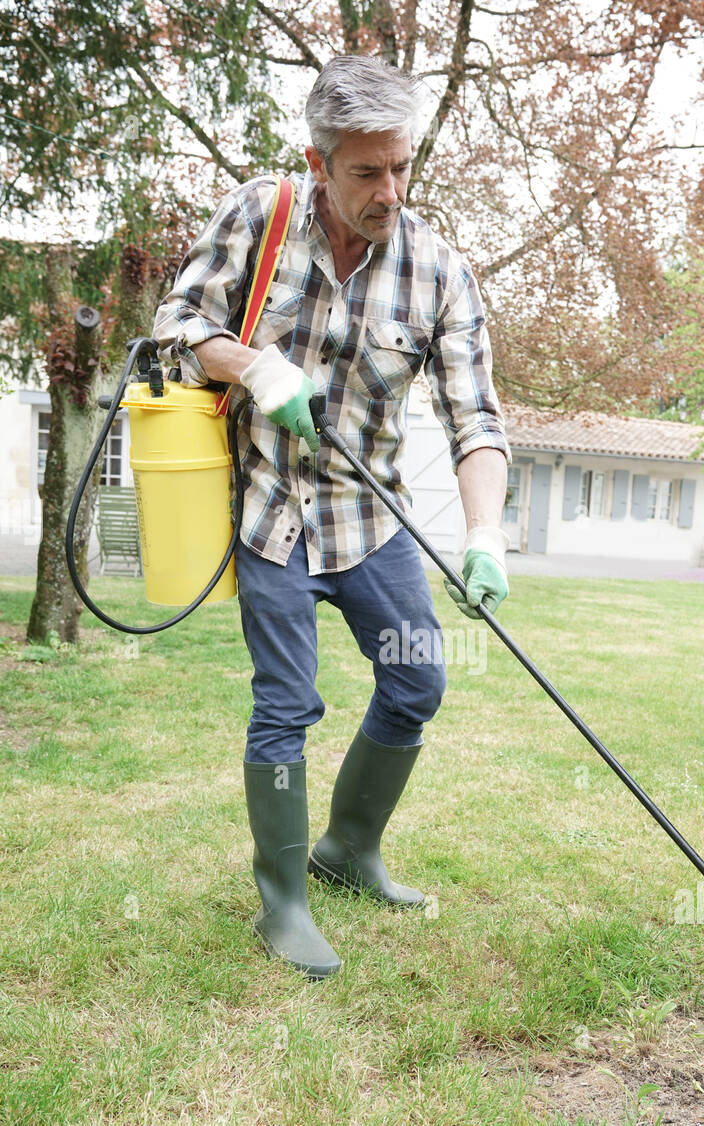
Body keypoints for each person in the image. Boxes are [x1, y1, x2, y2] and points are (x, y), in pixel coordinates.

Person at [153, 55, 511, 979]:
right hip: (269, 509)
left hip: (369, 521)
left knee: (416, 683)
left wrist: (483, 536)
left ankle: (348, 851)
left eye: (401, 166)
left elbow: (478, 419)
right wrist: (256, 368)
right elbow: (179, 321)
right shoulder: (258, 214)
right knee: (286, 705)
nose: (388, 189)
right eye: (365, 172)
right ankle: (283, 902)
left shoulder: (438, 271)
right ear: (321, 163)